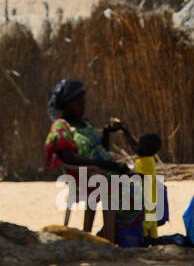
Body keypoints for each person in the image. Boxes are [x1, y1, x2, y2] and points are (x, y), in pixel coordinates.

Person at [44, 79, 132, 242]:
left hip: (102, 173)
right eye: (78, 102)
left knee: (145, 186)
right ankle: (110, 241)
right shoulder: (61, 126)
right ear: (66, 104)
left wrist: (106, 132)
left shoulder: (85, 124)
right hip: (83, 177)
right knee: (111, 188)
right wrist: (109, 165)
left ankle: (131, 236)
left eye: (82, 102)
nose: (82, 105)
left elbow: (101, 150)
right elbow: (71, 158)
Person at [130, 133, 169, 246]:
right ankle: (152, 241)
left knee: (144, 223)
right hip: (150, 198)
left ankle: (145, 242)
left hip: (145, 200)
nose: (137, 146)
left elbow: (138, 177)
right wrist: (125, 131)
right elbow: (135, 147)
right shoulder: (147, 157)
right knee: (151, 224)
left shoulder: (145, 161)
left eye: (140, 144)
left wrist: (125, 174)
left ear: (146, 149)